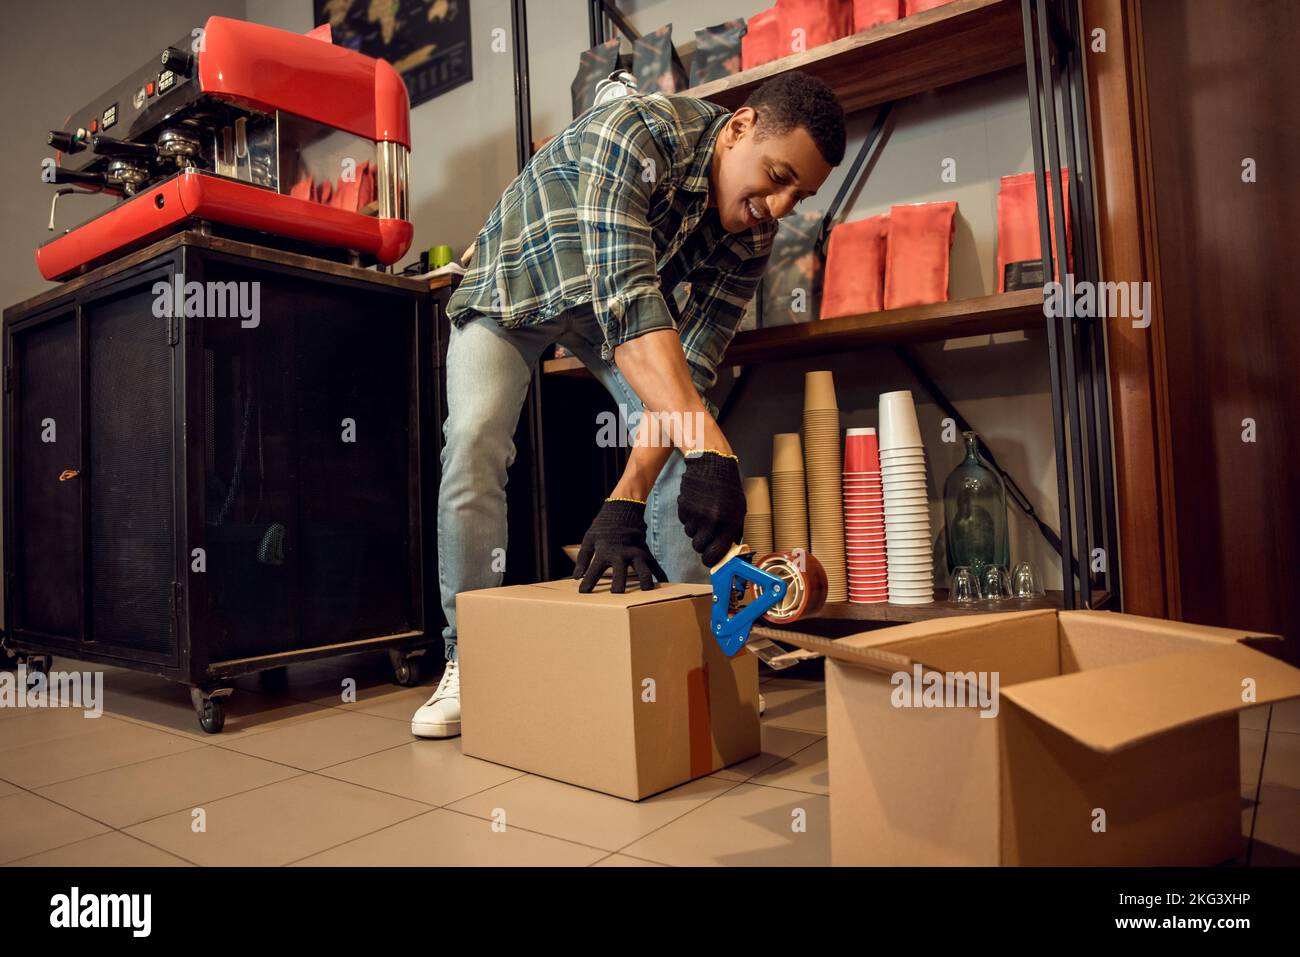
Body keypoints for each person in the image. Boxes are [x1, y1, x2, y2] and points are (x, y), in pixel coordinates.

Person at [412, 71, 846, 738]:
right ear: (738, 129)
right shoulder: (636, 132)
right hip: (517, 280)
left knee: (679, 443)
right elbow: (632, 301)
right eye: (778, 175)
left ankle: (708, 649)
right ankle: (467, 659)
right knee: (475, 437)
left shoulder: (752, 239)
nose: (782, 206)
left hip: (609, 310)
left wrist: (629, 496)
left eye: (801, 194)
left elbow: (686, 376)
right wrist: (714, 446)